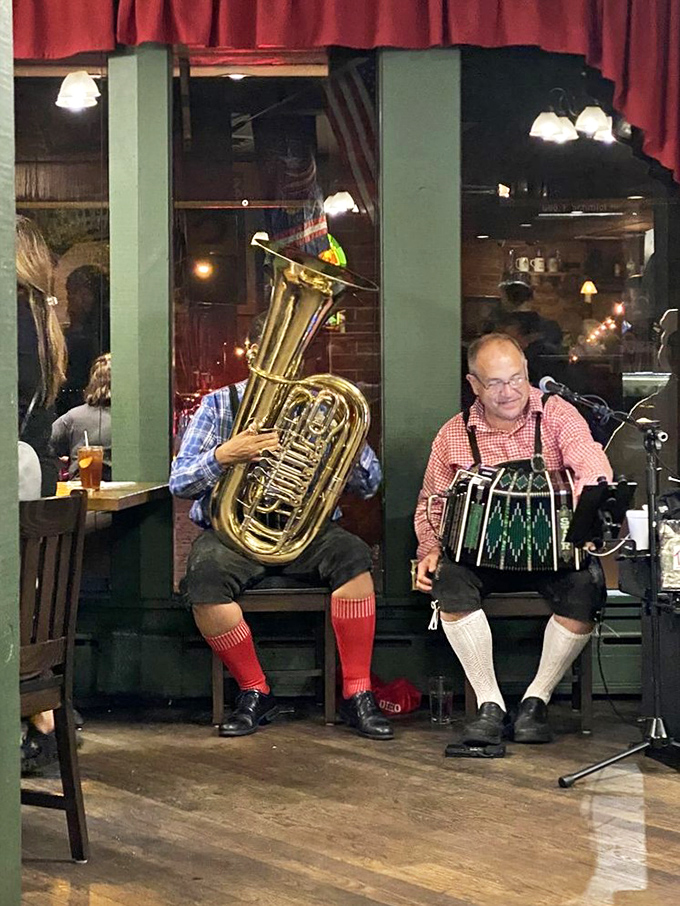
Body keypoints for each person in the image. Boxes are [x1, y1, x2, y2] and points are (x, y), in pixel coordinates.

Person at [170, 315, 392, 741]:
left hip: (306, 530)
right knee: (203, 579)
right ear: (253, 354)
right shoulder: (219, 405)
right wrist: (225, 455)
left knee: (354, 559)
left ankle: (357, 692)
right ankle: (256, 690)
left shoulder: (321, 409)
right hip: (234, 531)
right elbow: (180, 482)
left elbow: (370, 485)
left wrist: (345, 447)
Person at [414, 333, 613, 747]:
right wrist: (429, 549)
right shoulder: (453, 434)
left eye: (516, 378)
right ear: (474, 385)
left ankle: (535, 701)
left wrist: (587, 516)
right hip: (481, 558)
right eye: (495, 383)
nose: (509, 392)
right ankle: (491, 705)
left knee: (588, 585)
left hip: (551, 554)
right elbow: (431, 502)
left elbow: (591, 464)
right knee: (448, 581)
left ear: (527, 372)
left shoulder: (557, 413)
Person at [16, 216, 69, 773]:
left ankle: (39, 715)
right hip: (34, 488)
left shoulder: (12, 319)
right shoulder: (40, 322)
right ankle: (43, 712)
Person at [50, 352, 112, 480]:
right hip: (127, 489)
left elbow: (42, 445)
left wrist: (59, 464)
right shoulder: (135, 421)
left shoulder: (73, 417)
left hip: (81, 488)